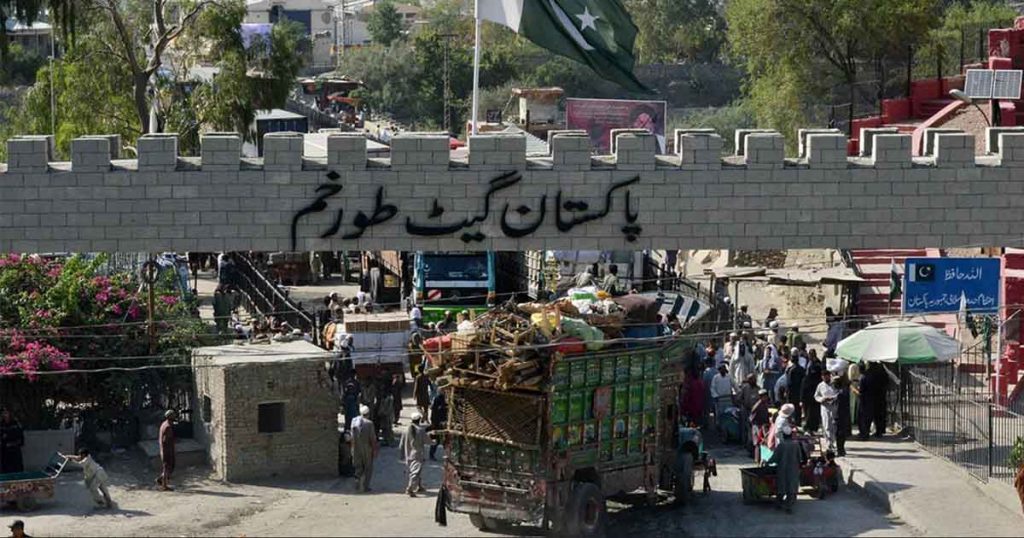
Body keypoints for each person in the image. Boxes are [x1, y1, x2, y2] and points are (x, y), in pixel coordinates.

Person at [767, 426, 805, 513]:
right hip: (793, 469)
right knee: (792, 488)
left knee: (781, 487)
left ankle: (779, 503)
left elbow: (775, 457)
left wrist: (768, 462)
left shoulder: (781, 445)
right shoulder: (796, 445)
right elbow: (800, 457)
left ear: (783, 435)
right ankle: (789, 506)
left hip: (782, 469)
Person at [351, 405, 379, 492]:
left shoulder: (354, 421)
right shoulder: (369, 423)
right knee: (368, 467)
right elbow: (372, 439)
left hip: (355, 446)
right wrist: (375, 450)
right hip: (367, 447)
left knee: (358, 466)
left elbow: (352, 436)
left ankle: (357, 481)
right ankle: (365, 486)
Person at [399, 412, 428, 497]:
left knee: (415, 471)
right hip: (417, 455)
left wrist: (401, 455)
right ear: (419, 420)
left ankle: (419, 486)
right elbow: (427, 440)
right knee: (415, 472)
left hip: (408, 454)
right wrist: (435, 442)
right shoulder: (420, 430)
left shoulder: (405, 429)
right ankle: (410, 488)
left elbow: (401, 444)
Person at [859, 362, 889, 439]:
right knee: (878, 416)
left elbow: (862, 388)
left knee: (867, 417)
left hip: (868, 398)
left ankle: (865, 433)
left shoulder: (866, 375)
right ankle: (879, 431)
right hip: (880, 397)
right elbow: (886, 384)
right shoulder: (882, 374)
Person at [815, 371, 840, 452]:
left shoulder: (835, 384)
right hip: (825, 407)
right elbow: (816, 396)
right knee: (826, 425)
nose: (825, 377)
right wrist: (822, 399)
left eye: (827, 376)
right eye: (823, 376)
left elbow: (839, 393)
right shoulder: (820, 385)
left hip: (834, 407)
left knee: (834, 425)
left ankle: (833, 442)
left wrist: (833, 398)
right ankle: (829, 443)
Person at [710, 364, 735, 437]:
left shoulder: (729, 377)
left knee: (729, 414)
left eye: (724, 369)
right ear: (719, 370)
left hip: (728, 399)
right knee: (720, 415)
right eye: (721, 369)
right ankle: (720, 429)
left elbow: (734, 385)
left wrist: (737, 393)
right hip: (720, 400)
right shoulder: (716, 378)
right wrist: (716, 396)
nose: (723, 370)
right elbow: (712, 388)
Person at [801, 356, 823, 433]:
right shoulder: (809, 379)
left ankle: (812, 428)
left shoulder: (808, 378)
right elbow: (803, 390)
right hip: (810, 400)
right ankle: (810, 428)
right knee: (810, 415)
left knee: (812, 415)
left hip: (813, 400)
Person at [737, 374, 760, 449]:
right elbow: (739, 399)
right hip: (745, 410)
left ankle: (752, 443)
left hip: (755, 411)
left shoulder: (758, 389)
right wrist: (745, 405)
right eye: (750, 379)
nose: (752, 381)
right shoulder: (745, 388)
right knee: (745, 426)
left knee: (754, 427)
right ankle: (744, 442)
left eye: (753, 379)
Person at [750, 389, 772, 463]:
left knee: (762, 443)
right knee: (758, 443)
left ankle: (761, 459)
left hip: (763, 425)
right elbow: (752, 416)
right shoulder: (758, 405)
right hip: (757, 426)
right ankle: (757, 460)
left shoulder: (764, 404)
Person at [0, 409, 25, 474]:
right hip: (5, 453)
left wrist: (11, 443)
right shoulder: (2, 425)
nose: (4, 415)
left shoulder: (16, 424)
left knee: (16, 471)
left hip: (15, 453)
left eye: (6, 413)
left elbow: (21, 440)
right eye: (3, 413)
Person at [157, 410, 176, 491]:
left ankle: (161, 479)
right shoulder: (168, 427)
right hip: (167, 450)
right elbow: (166, 440)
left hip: (163, 449)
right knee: (167, 467)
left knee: (167, 467)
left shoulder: (163, 424)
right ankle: (164, 485)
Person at [784, 358, 805, 426]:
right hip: (799, 391)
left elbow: (788, 382)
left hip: (791, 392)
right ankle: (798, 423)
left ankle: (791, 422)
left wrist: (786, 391)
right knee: (798, 408)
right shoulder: (802, 369)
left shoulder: (790, 369)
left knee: (790, 407)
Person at [429, 391, 448, 460]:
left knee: (446, 439)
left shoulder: (448, 398)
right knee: (435, 439)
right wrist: (433, 423)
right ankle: (431, 454)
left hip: (445, 423)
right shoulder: (437, 399)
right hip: (437, 422)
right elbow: (433, 412)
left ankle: (447, 455)